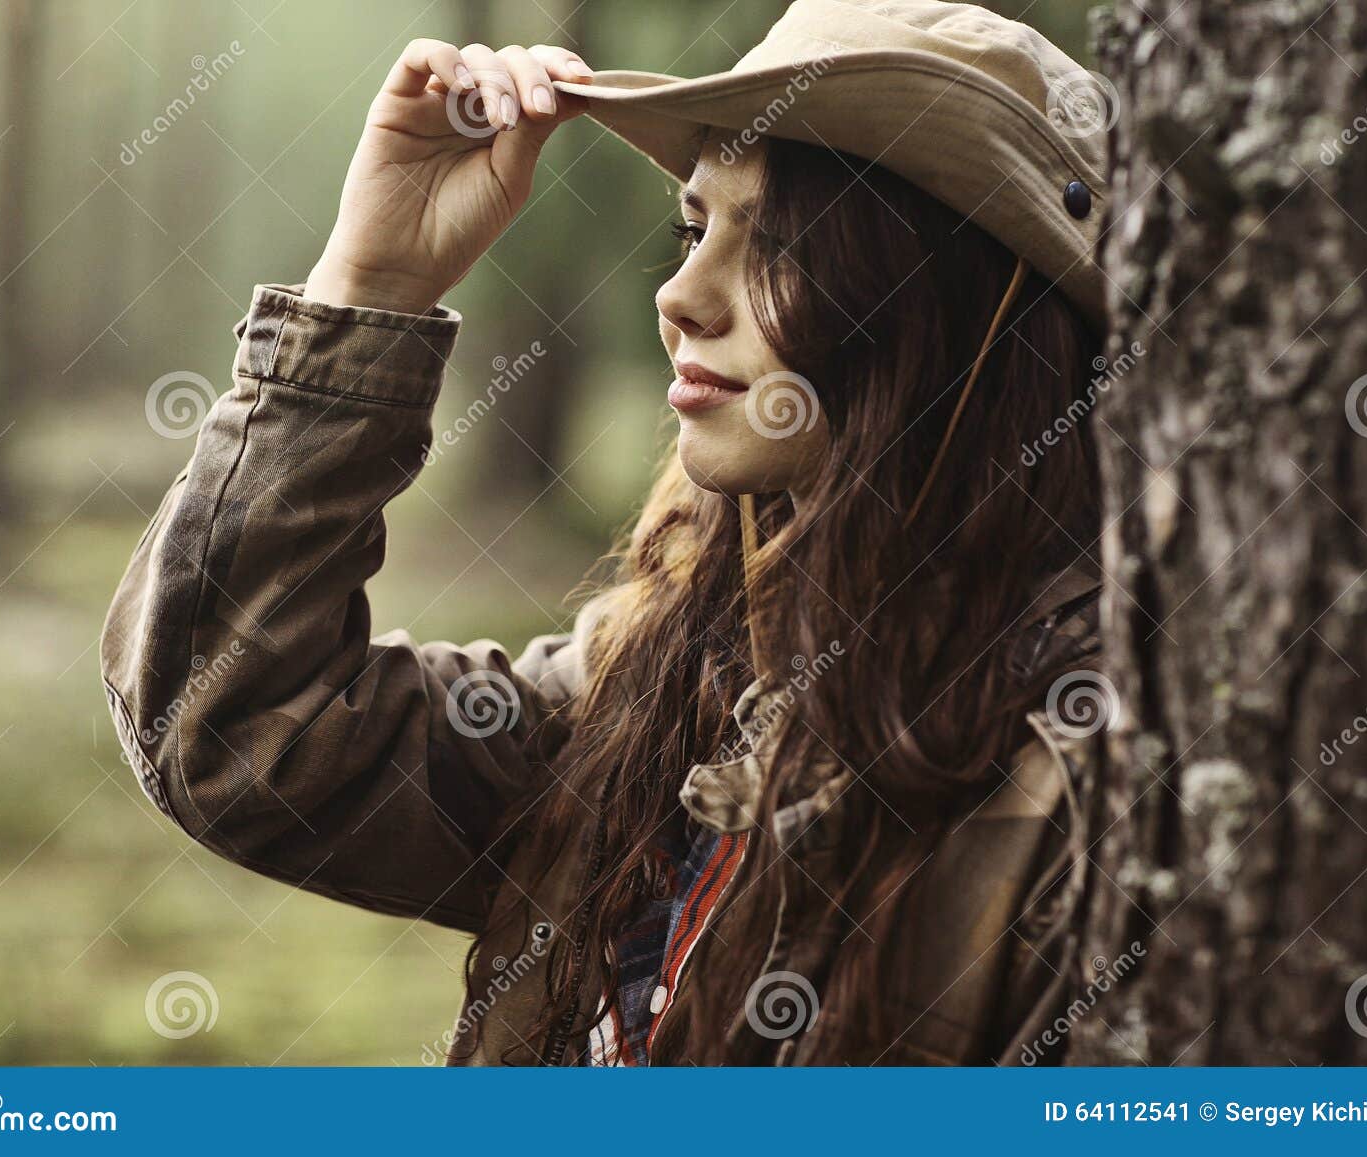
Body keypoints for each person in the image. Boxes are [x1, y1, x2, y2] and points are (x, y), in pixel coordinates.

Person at [102, 0, 1113, 1065]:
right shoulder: (664, 674)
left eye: (778, 245)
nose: (679, 294)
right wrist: (373, 284)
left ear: (959, 308)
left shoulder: (1091, 787)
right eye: (693, 227)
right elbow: (240, 729)